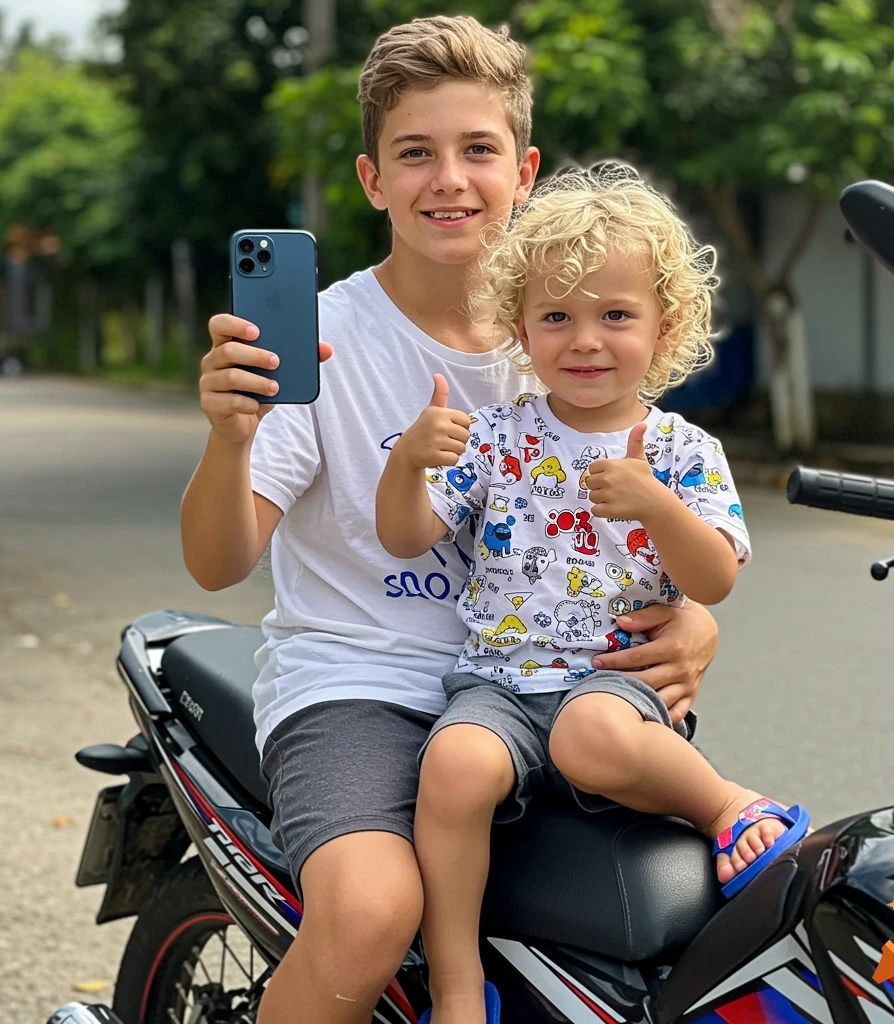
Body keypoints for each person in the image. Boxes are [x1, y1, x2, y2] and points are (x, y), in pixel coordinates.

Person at [180, 16, 721, 1024]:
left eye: (476, 150)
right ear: (371, 178)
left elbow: (653, 519)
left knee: (693, 916)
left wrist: (696, 619)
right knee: (369, 915)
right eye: (414, 153)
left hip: (559, 680)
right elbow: (217, 564)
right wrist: (228, 435)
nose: (449, 179)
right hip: (358, 682)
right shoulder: (325, 340)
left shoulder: (572, 332)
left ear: (523, 170)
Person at [376, 164, 810, 1024]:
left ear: (665, 324)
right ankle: (461, 988)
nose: (585, 340)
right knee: (454, 765)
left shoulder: (682, 449)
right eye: (556, 317)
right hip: (496, 683)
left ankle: (728, 805)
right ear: (521, 329)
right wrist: (405, 463)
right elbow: (405, 537)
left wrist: (656, 505)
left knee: (591, 731)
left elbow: (713, 578)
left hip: (615, 684)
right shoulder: (497, 436)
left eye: (616, 315)